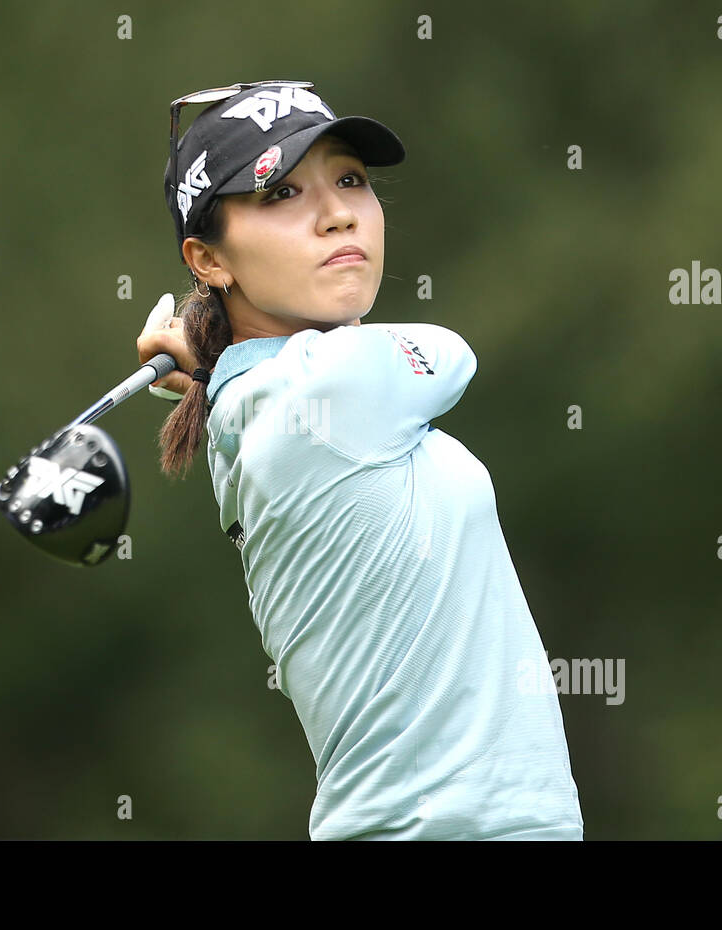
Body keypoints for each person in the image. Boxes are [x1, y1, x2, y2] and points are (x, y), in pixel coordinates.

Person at [136, 81, 584, 840]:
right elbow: (452, 355)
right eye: (279, 192)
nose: (338, 212)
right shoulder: (326, 390)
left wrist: (213, 368)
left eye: (350, 180)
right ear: (207, 259)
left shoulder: (262, 402)